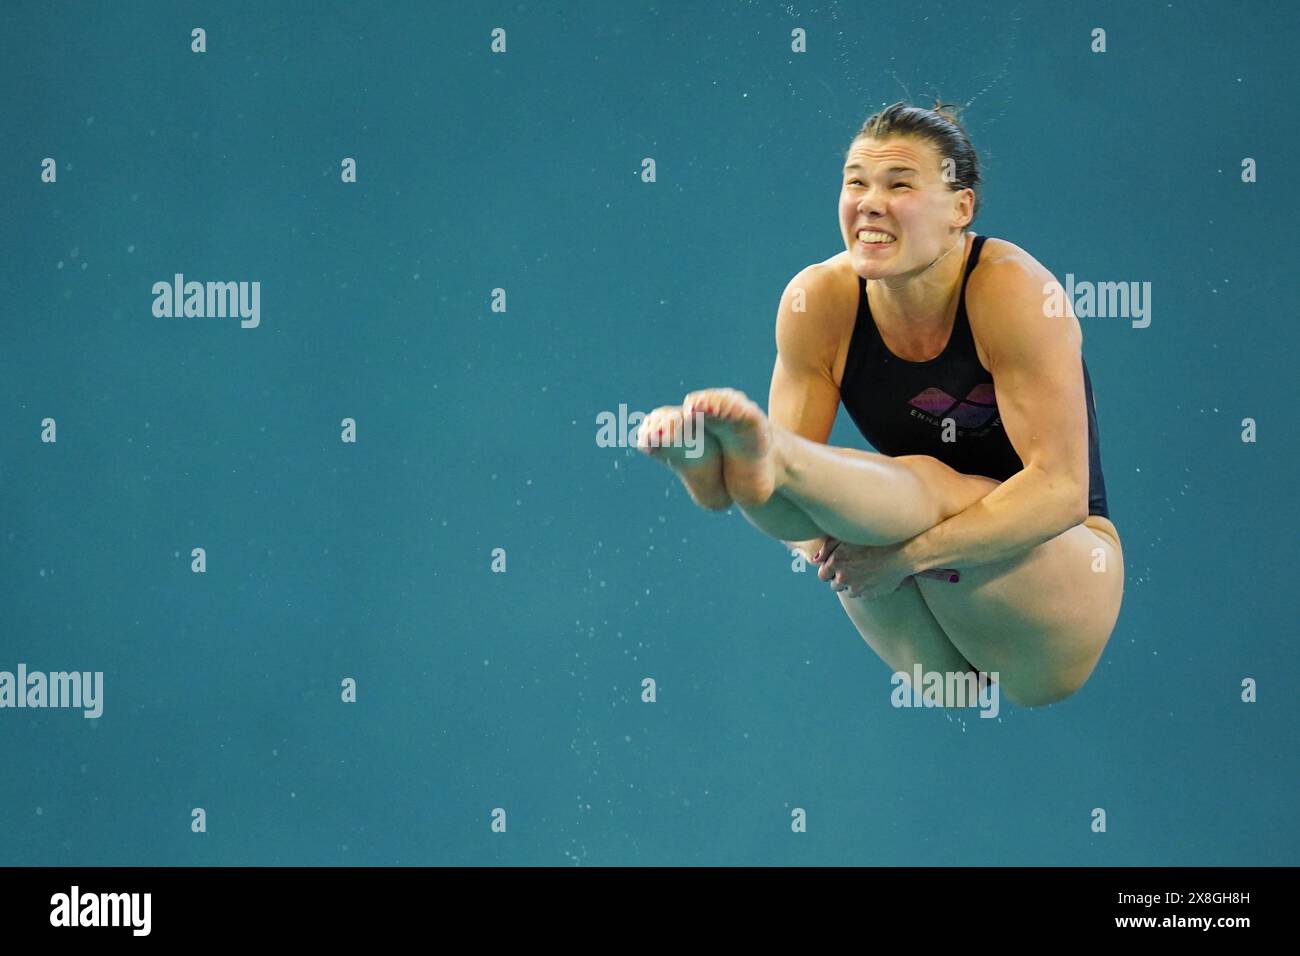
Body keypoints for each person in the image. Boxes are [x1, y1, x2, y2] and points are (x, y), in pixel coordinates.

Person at [636, 102, 1123, 708]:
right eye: (855, 181)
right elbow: (807, 521)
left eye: (899, 184)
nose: (869, 201)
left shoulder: (1013, 290)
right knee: (801, 494)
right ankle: (729, 477)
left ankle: (749, 469)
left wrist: (906, 557)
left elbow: (1061, 490)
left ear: (960, 209)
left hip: (1056, 590)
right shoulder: (818, 300)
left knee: (916, 481)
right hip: (921, 617)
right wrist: (824, 540)